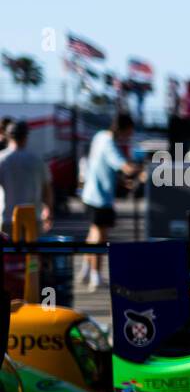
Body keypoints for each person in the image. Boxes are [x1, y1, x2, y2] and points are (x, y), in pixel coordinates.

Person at [80, 111, 140, 290]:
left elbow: (105, 167)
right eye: (130, 131)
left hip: (90, 194)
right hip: (100, 197)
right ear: (124, 128)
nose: (130, 135)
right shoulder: (110, 144)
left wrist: (121, 180)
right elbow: (125, 167)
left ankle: (86, 269)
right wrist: (143, 170)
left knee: (93, 233)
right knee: (100, 235)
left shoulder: (100, 136)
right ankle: (96, 275)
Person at [0, 121, 54, 234]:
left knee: (9, 251)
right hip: (33, 219)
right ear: (25, 137)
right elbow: (47, 190)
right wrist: (48, 211)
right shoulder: (37, 160)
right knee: (31, 251)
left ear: (8, 136)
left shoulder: (2, 159)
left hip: (6, 219)